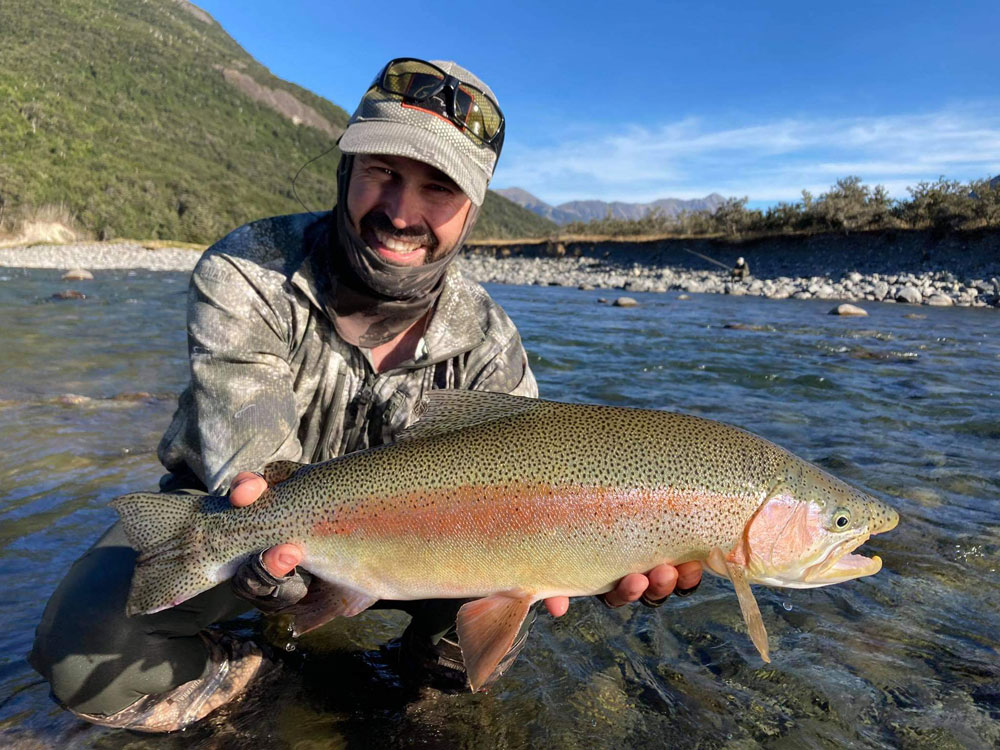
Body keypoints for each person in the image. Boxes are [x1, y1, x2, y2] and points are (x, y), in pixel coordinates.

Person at [29, 58, 702, 733]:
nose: (402, 213)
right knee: (83, 658)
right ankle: (241, 678)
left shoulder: (491, 346)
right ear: (345, 170)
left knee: (464, 672)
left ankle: (414, 698)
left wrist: (619, 547)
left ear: (471, 210)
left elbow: (541, 507)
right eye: (383, 172)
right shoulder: (249, 271)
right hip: (237, 517)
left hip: (424, 549)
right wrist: (286, 574)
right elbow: (254, 479)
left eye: (438, 187)